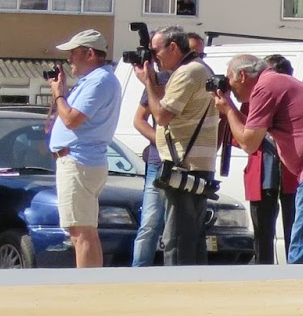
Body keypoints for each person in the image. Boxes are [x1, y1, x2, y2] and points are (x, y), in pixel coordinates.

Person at [216, 52, 303, 264]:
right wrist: (231, 109)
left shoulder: (265, 86)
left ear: (242, 75)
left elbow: (249, 143)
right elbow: (254, 131)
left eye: (229, 79)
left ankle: (296, 289)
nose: (229, 86)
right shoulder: (277, 82)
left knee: (302, 245)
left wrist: (228, 109)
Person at [136, 27, 218, 265]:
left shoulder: (188, 72)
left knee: (177, 239)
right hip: (193, 164)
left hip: (184, 167)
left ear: (173, 47)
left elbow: (161, 115)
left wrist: (148, 84)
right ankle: (195, 288)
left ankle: (179, 288)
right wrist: (151, 79)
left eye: (155, 51)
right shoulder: (197, 70)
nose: (153, 57)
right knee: (191, 236)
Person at [44, 29, 124, 268]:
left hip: (78, 161)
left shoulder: (99, 80)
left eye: (73, 53)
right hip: (83, 160)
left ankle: (86, 288)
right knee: (85, 230)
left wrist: (59, 95)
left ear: (89, 53)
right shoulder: (97, 80)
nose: (69, 60)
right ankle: (94, 284)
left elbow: (72, 119)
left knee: (80, 232)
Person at [129, 63, 171, 267]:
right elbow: (139, 120)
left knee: (176, 225)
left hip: (187, 163)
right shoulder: (159, 80)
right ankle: (139, 273)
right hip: (158, 163)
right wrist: (162, 143)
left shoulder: (197, 76)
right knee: (149, 222)